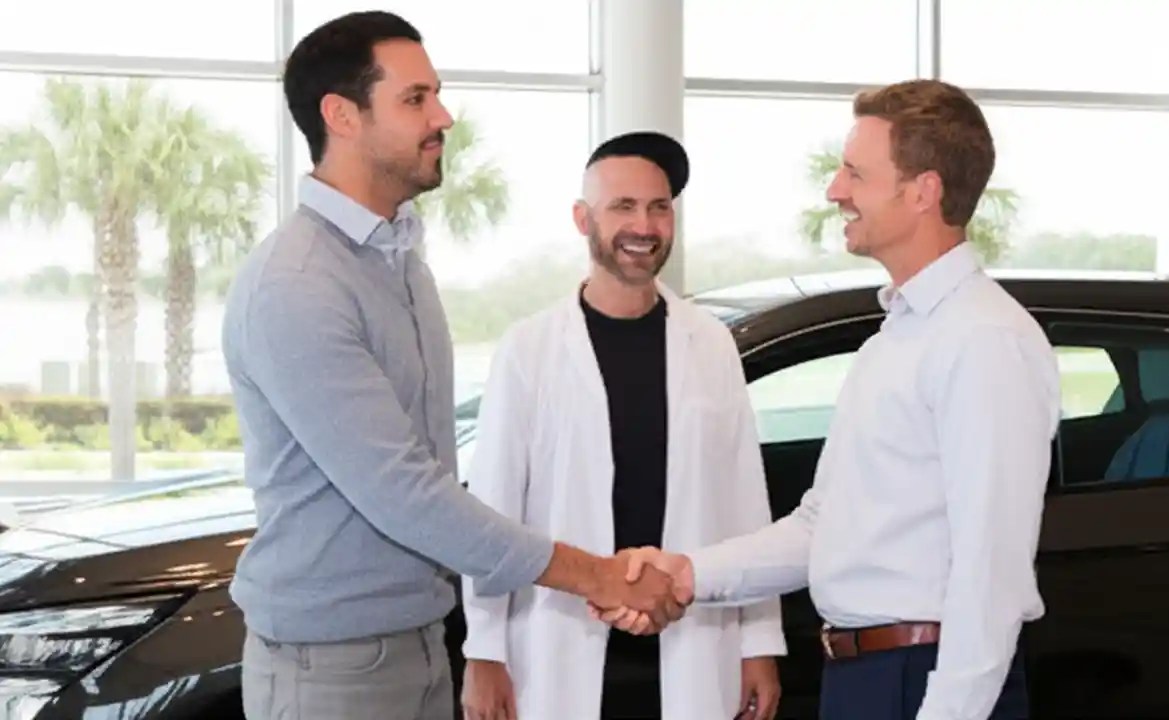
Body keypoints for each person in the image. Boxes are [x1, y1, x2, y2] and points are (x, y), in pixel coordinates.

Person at [220, 12, 683, 720]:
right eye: (415, 100)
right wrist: (600, 574)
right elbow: (404, 491)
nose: (443, 116)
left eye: (436, 94)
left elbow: (433, 471)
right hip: (333, 671)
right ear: (341, 116)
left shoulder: (400, 261)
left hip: (417, 643)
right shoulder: (298, 283)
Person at [602, 79, 1062, 720]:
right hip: (867, 678)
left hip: (923, 681)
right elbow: (825, 524)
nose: (835, 190)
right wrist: (686, 573)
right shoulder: (898, 335)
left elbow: (991, 576)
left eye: (855, 173)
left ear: (923, 191)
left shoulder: (983, 339)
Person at [456, 131, 785, 720]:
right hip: (561, 644)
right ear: (583, 220)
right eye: (624, 207)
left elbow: (744, 503)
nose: (645, 225)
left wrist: (759, 644)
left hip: (692, 639)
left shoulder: (709, 341)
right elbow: (494, 511)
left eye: (659, 207)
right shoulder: (528, 348)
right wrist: (484, 651)